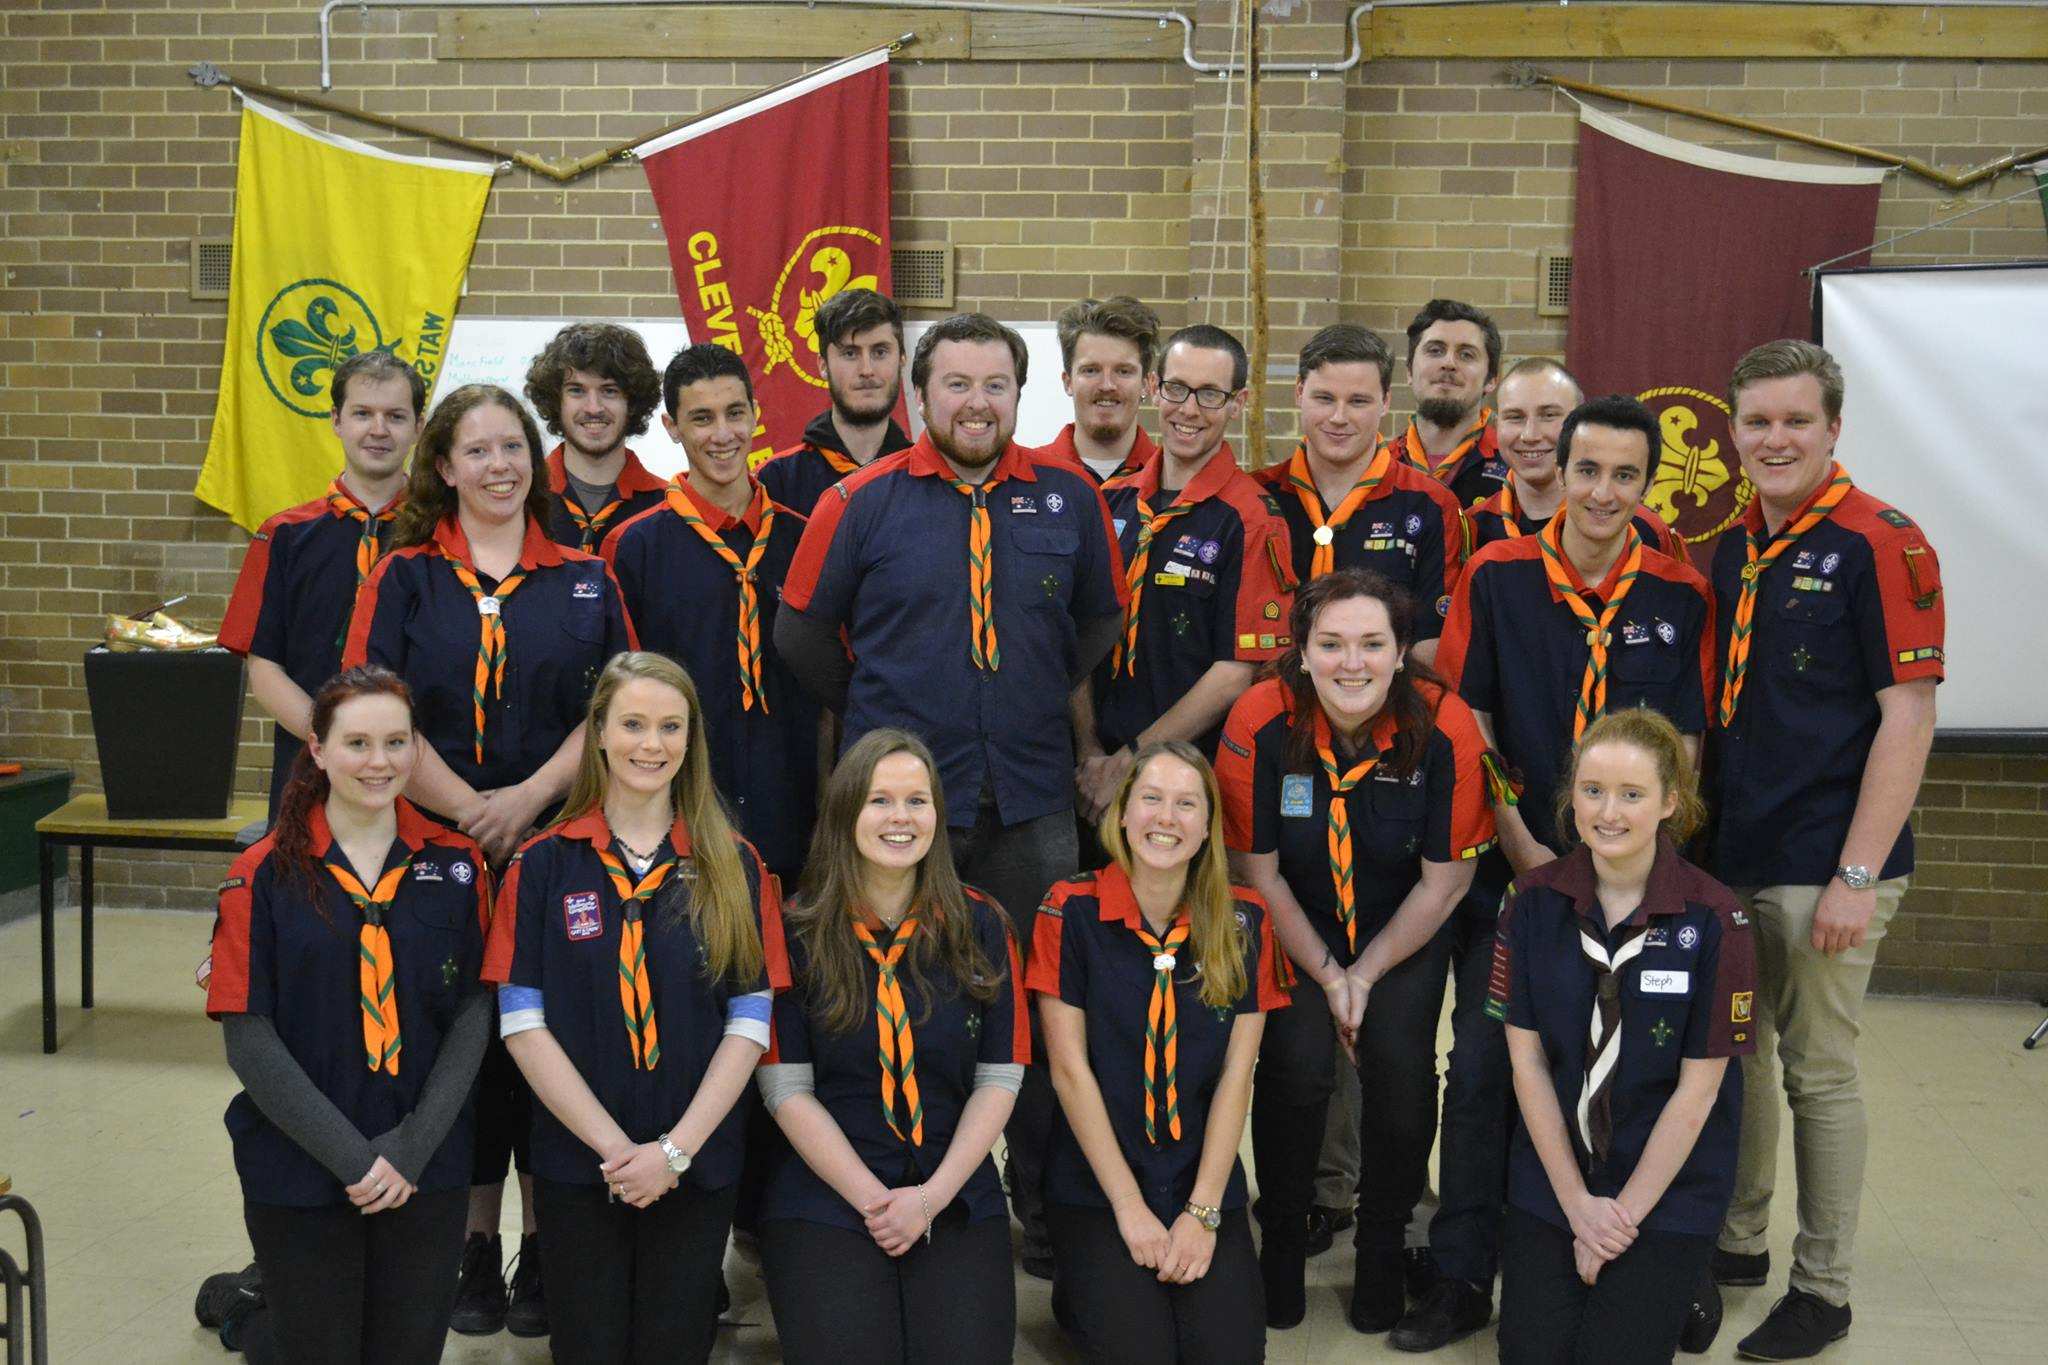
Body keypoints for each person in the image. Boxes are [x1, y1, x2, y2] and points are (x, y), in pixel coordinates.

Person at [777, 311, 1127, 1272]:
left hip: (1029, 806)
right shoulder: (862, 500)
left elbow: (1096, 625)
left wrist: (1023, 690)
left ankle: (1046, 1207)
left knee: (1042, 1012)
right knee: (890, 1002)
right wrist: (887, 715)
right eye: (957, 385)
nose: (977, 403)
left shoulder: (1068, 502)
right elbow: (801, 635)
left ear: (1022, 395)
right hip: (896, 817)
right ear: (919, 395)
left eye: (996, 386)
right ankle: (899, 1187)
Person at [1419, 394, 1715, 1352]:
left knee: (1640, 1066)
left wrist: (1628, 863)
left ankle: (1664, 1256)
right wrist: (1531, 857)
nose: (1602, 491)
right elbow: (1477, 732)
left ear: (1647, 483)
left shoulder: (1678, 594)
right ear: (1553, 469)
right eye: (1587, 469)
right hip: (1520, 869)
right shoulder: (1496, 574)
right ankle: (1463, 1268)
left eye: (1626, 475)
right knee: (1481, 1068)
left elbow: (1688, 750)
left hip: (1632, 883)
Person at [344, 381, 637, 1338]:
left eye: (514, 446)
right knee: (460, 1046)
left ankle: (547, 1242)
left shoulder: (586, 577)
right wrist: (469, 807)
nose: (500, 466)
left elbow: (617, 711)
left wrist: (524, 802)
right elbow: (374, 710)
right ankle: (472, 1241)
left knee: (553, 1037)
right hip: (434, 847)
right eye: (477, 450)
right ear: (443, 467)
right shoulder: (405, 577)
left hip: (557, 846)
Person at [1705, 341, 1943, 1361]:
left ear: (1832, 428)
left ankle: (1823, 1287)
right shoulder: (1728, 546)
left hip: (1823, 865)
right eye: (1754, 421)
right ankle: (1737, 1244)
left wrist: (1854, 875)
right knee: (1737, 1059)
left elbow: (1908, 718)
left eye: (1792, 420)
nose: (1772, 438)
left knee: (1818, 1073)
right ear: (1730, 435)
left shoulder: (1879, 541)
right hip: (1733, 852)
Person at [485, 651, 789, 1363]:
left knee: (674, 1342)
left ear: (691, 740)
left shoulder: (734, 864)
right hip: (579, 1161)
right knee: (586, 1342)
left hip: (696, 1162)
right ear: (598, 733)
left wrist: (674, 1151)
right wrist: (618, 1152)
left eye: (670, 727)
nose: (651, 745)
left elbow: (749, 1022)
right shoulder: (541, 864)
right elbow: (522, 1025)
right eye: (633, 724)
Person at [1216, 570, 1495, 1333]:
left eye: (1373, 644)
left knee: (1402, 1069)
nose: (1352, 662)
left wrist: (1364, 973)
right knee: (1297, 1065)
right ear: (1300, 653)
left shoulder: (1447, 725)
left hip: (1400, 926)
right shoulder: (1259, 717)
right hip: (1293, 920)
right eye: (1330, 643)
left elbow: (1448, 879)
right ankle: (1280, 1248)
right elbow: (1256, 872)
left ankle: (1381, 1249)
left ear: (1402, 651)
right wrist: (1329, 974)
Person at [205, 665, 493, 1363]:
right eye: (358, 742)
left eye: (397, 742)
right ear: (317, 746)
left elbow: (474, 1013)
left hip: (423, 1166)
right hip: (300, 1165)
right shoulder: (262, 874)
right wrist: (354, 1157)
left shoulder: (458, 867)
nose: (379, 761)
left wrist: (410, 1147)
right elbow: (248, 1035)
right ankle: (252, 1319)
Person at [1493, 707, 1756, 1364]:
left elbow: (1698, 1095)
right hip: (1557, 1176)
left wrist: (1619, 1219)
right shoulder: (1528, 903)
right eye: (1592, 790)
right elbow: (1526, 1065)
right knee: (1531, 1353)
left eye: (1632, 794)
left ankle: (1681, 1275)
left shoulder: (1719, 919)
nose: (1608, 812)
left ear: (1671, 800)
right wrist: (1578, 1205)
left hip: (1665, 1185)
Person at [756, 728, 1027, 1364]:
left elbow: (1001, 1076)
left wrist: (928, 1200)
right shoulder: (797, 928)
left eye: (917, 800)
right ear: (847, 811)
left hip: (951, 1185)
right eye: (880, 800)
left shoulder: (981, 922)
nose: (900, 818)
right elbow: (785, 1089)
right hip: (828, 1190)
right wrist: (877, 1204)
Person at [1032, 741, 1289, 1364]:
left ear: (1207, 827)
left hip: (1199, 1173)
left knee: (1227, 1353)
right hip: (1101, 1180)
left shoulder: (1246, 919)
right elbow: (1069, 1073)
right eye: (1150, 798)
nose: (1165, 818)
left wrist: (1202, 1213)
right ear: (1121, 812)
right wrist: (1129, 1207)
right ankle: (1082, 1285)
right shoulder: (1069, 908)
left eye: (1185, 804)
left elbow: (1237, 1077)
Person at [603, 344, 820, 886]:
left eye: (734, 413)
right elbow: (614, 693)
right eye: (701, 418)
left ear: (755, 415)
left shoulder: (802, 538)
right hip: (679, 810)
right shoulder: (632, 547)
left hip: (792, 804)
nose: (722, 434)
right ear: (671, 427)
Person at [1075, 322, 1294, 828]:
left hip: (1189, 783)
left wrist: (1130, 761)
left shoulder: (1253, 517)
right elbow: (1080, 638)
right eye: (1176, 388)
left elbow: (1237, 671)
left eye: (1210, 394)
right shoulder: (1108, 502)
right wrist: (1089, 752)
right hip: (1089, 778)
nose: (1188, 410)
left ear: (1237, 403)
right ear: (1154, 387)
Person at [220, 350, 422, 818]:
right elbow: (265, 669)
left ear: (419, 425)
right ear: (335, 420)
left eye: (395, 416)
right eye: (362, 414)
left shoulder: (444, 534)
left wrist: (389, 749)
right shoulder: (284, 535)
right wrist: (335, 745)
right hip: (309, 767)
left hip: (419, 771)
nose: (378, 429)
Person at [1253, 324, 1464, 664]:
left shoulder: (1431, 506)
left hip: (1388, 707)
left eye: (1358, 401)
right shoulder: (1256, 498)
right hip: (1271, 705)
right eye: (1324, 398)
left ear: (1385, 402)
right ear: (1298, 393)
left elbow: (1431, 646)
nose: (1339, 417)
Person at [1469, 359, 1688, 564]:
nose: (1530, 435)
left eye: (1549, 415)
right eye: (1515, 417)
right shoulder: (1472, 527)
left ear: (1578, 423)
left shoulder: (1645, 529)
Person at [756, 288, 914, 517]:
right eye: (850, 354)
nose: (867, 370)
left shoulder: (926, 479)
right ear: (823, 365)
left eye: (880, 352)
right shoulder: (774, 482)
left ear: (901, 360)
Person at [526, 322, 668, 551]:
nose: (593, 408)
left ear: (632, 403)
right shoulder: (521, 497)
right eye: (577, 390)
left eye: (609, 390)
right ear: (555, 400)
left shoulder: (669, 505)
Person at [1395, 299, 1506, 510]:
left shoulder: (1515, 468)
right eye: (1435, 350)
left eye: (1466, 354)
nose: (1449, 363)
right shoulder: (1377, 464)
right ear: (1409, 371)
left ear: (1491, 378)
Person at [1046, 296, 1163, 485]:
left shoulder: (1170, 479)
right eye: (1091, 370)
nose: (1107, 385)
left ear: (1145, 385)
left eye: (1123, 371)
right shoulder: (1030, 475)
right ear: (1068, 382)